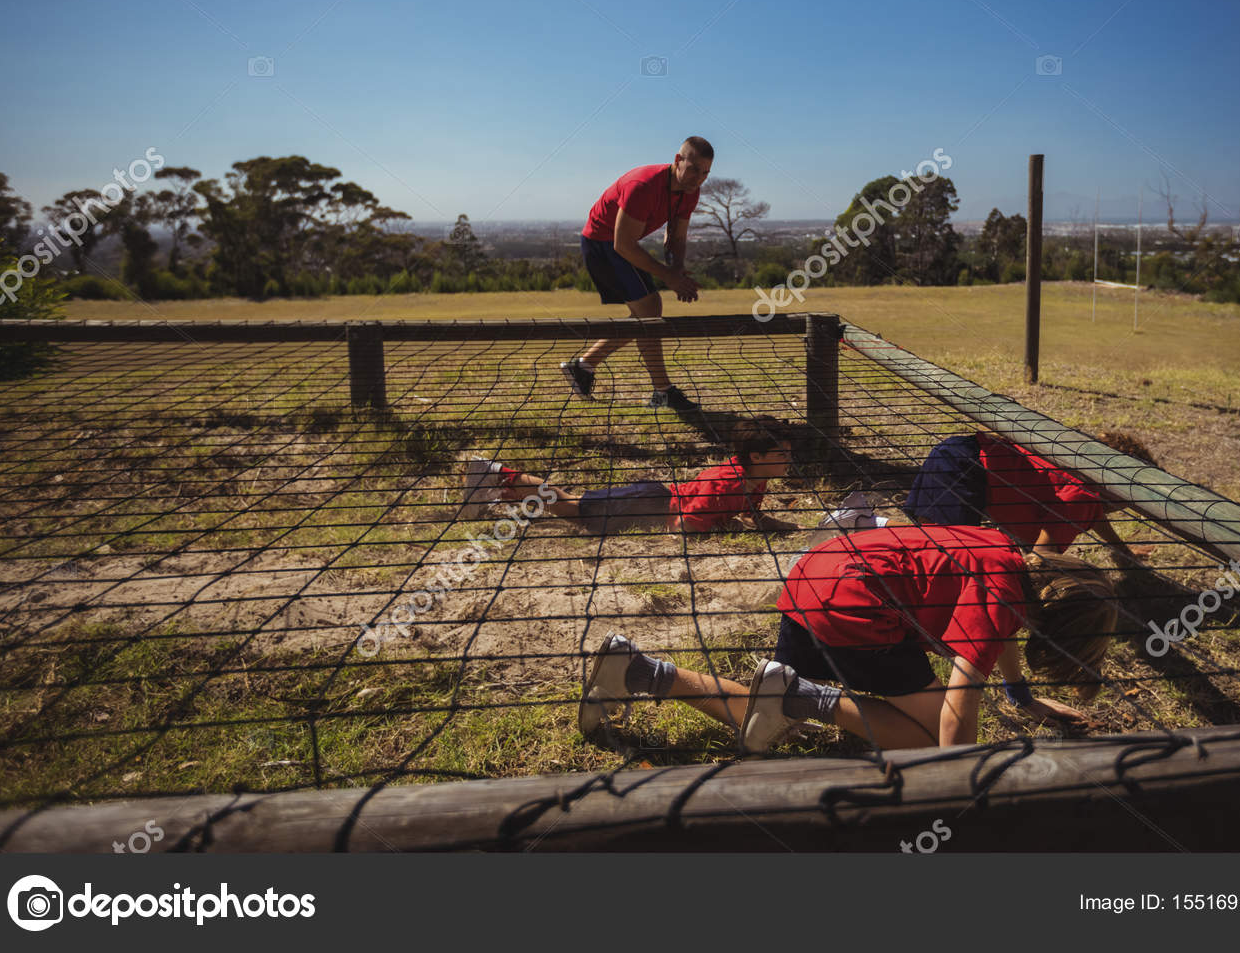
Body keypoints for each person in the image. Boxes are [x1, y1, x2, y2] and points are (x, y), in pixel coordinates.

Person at [578, 525, 1117, 754]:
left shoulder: (1005, 551)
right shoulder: (1002, 598)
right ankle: (805, 698)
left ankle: (637, 671)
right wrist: (961, 789)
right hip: (858, 607)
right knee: (930, 743)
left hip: (817, 574)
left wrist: (1020, 697)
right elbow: (956, 713)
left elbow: (1000, 641)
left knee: (763, 705)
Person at [560, 138, 712, 413]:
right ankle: (663, 391)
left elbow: (677, 235)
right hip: (602, 243)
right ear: (677, 161)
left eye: (705, 173)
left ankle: (582, 366)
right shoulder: (643, 186)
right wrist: (670, 277)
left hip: (618, 244)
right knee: (650, 309)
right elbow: (623, 245)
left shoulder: (690, 191)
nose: (697, 179)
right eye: (693, 169)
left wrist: (676, 268)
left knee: (646, 314)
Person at [459, 417, 799, 534]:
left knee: (572, 506)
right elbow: (687, 526)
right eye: (781, 454)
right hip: (648, 504)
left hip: (653, 500)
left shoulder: (755, 476)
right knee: (571, 507)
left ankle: (500, 488)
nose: (788, 459)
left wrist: (777, 525)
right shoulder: (726, 486)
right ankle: (497, 475)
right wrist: (726, 527)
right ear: (757, 456)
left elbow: (748, 513)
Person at [903, 429, 1156, 565]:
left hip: (959, 454)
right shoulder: (1084, 497)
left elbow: (1095, 516)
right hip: (965, 472)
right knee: (944, 559)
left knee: (931, 547)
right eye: (1129, 500)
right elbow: (1039, 557)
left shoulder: (1082, 478)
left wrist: (1123, 550)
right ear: (1115, 487)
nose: (1126, 506)